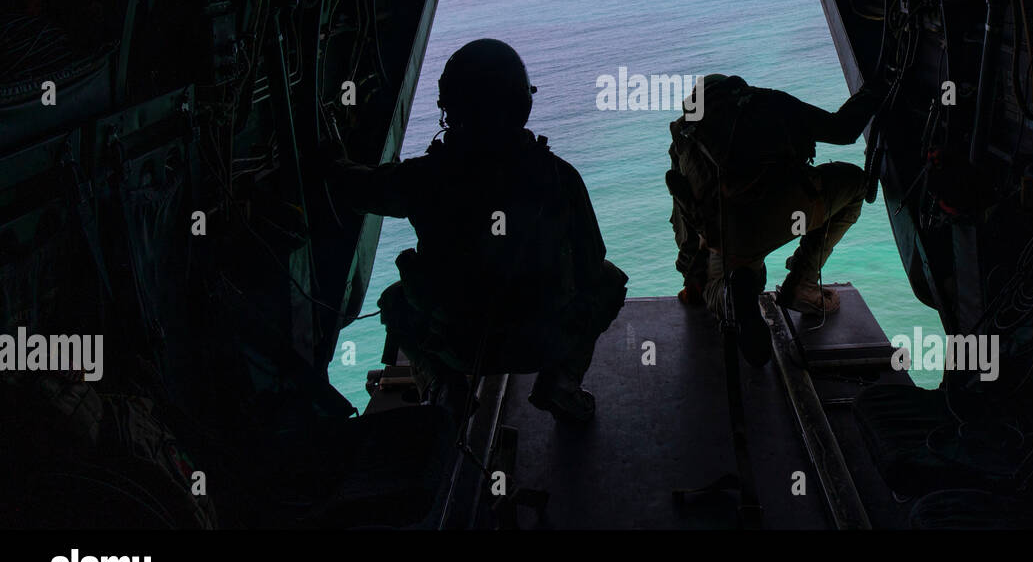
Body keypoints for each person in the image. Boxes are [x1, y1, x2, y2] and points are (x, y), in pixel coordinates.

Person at [325, 38, 627, 423]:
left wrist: (331, 158)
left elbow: (360, 188)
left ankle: (446, 389)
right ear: (522, 103)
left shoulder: (424, 179)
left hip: (460, 345)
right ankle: (562, 382)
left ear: (450, 109)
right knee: (610, 281)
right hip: (543, 340)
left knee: (395, 303)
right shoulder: (559, 175)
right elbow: (591, 261)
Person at [666, 74, 880, 365]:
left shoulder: (685, 139)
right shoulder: (770, 101)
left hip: (733, 235)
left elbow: (685, 215)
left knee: (725, 284)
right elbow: (844, 130)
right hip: (792, 212)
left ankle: (729, 295)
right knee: (856, 183)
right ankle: (801, 283)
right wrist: (874, 90)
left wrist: (693, 280)